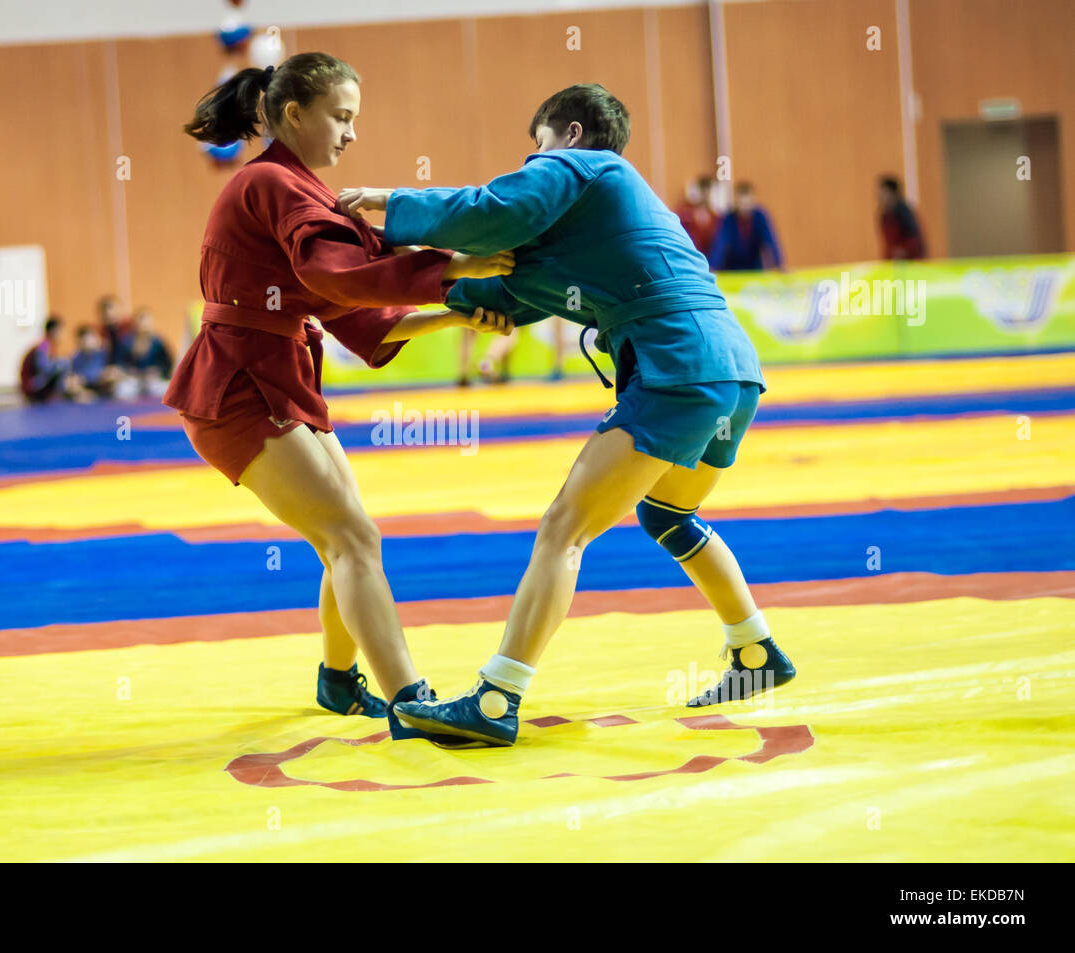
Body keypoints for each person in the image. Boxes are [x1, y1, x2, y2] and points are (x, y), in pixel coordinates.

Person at [340, 83, 795, 747]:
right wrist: (411, 299)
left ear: (570, 134)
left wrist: (382, 204)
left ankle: (496, 699)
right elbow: (507, 292)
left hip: (678, 365)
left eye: (540, 148)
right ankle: (755, 651)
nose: (535, 163)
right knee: (668, 513)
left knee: (563, 528)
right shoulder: (598, 215)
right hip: (731, 369)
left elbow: (489, 210)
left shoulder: (585, 166)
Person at [167, 52, 514, 740]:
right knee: (353, 537)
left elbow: (359, 314)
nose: (352, 133)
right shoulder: (272, 182)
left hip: (270, 375)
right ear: (294, 114)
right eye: (342, 116)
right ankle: (409, 700)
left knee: (350, 537)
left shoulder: (296, 191)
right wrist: (457, 268)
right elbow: (347, 275)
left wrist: (459, 309)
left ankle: (336, 679)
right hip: (241, 385)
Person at [709, 182, 783, 271]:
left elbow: (771, 241)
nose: (745, 208)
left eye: (748, 203)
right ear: (736, 202)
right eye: (742, 204)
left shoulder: (760, 217)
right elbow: (720, 244)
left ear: (753, 201)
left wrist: (780, 264)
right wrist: (713, 267)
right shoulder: (728, 220)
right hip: (732, 269)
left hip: (755, 269)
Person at [20, 315, 85, 403]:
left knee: (63, 363)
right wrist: (59, 363)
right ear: (54, 331)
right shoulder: (44, 345)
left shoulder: (49, 345)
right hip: (32, 387)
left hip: (37, 384)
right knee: (63, 364)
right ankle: (60, 394)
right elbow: (42, 368)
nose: (63, 334)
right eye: (61, 330)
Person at [117, 307, 175, 396]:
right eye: (140, 323)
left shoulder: (158, 342)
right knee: (121, 391)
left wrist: (158, 371)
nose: (143, 326)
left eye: (146, 323)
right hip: (134, 380)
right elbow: (122, 363)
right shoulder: (127, 341)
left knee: (169, 389)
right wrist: (129, 371)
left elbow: (167, 363)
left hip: (153, 380)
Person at [877, 175, 926, 260]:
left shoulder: (903, 211)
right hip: (893, 261)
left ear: (893, 193)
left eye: (883, 193)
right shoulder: (884, 214)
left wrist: (903, 251)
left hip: (909, 261)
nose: (880, 196)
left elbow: (914, 237)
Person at [675, 175, 718, 262]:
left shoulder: (715, 218)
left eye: (708, 192)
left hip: (707, 264)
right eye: (703, 191)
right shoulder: (684, 214)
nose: (706, 195)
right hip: (687, 260)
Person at [72, 325, 122, 398]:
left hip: (101, 383)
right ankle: (88, 394)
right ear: (80, 342)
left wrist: (104, 375)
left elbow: (111, 371)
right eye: (85, 340)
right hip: (85, 384)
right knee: (72, 383)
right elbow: (77, 375)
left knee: (113, 374)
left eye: (91, 338)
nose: (88, 343)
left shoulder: (103, 354)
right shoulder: (77, 357)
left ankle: (96, 394)